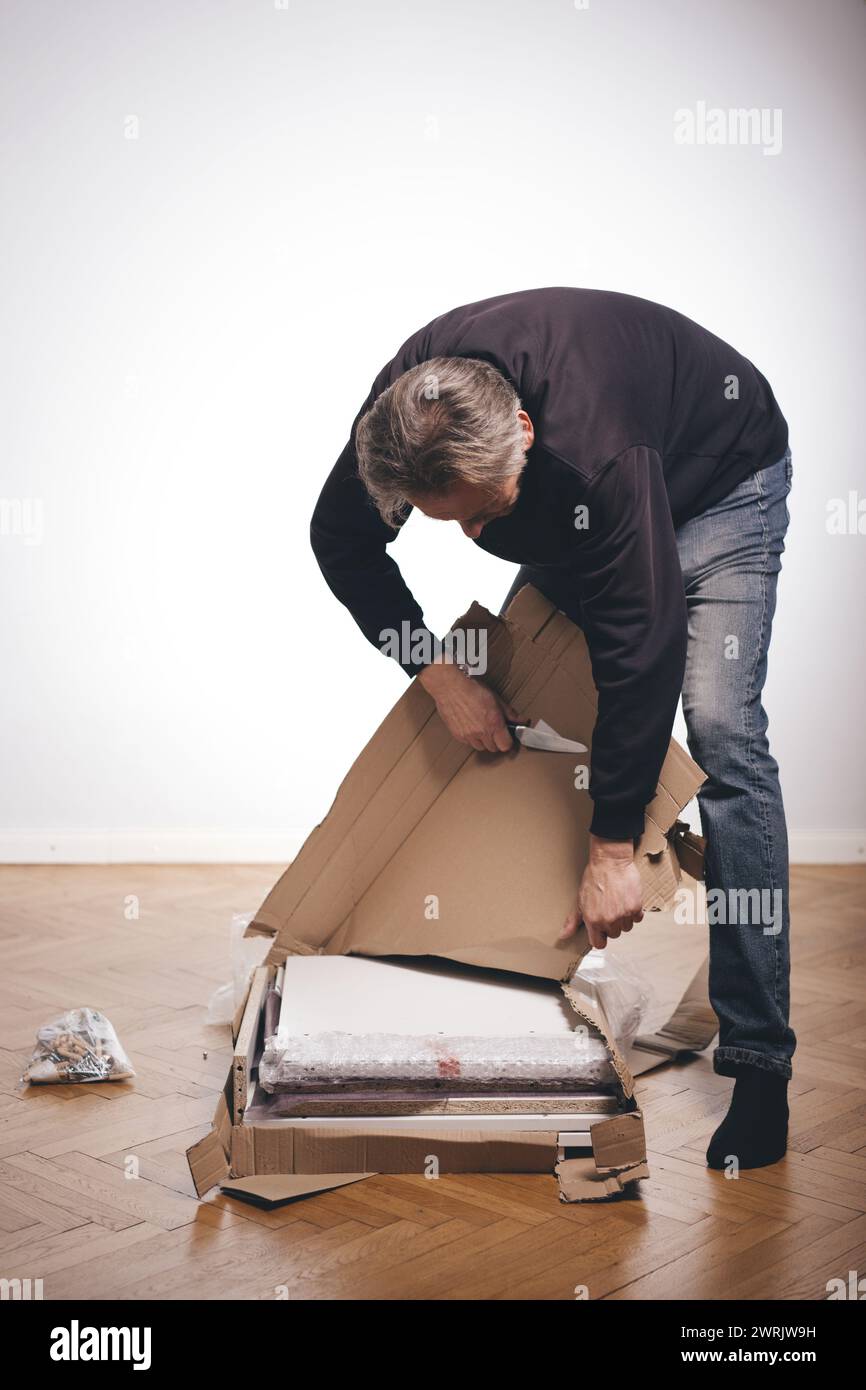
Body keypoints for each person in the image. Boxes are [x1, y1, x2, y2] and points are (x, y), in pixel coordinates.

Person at [310, 287, 794, 1171]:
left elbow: (638, 654)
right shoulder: (398, 427)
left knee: (723, 736)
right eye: (452, 521)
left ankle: (761, 1064)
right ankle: (493, 989)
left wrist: (613, 851)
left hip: (722, 476)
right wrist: (435, 668)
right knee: (515, 705)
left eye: (487, 516)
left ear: (524, 433)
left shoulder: (591, 456)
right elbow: (339, 542)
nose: (481, 537)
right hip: (581, 487)